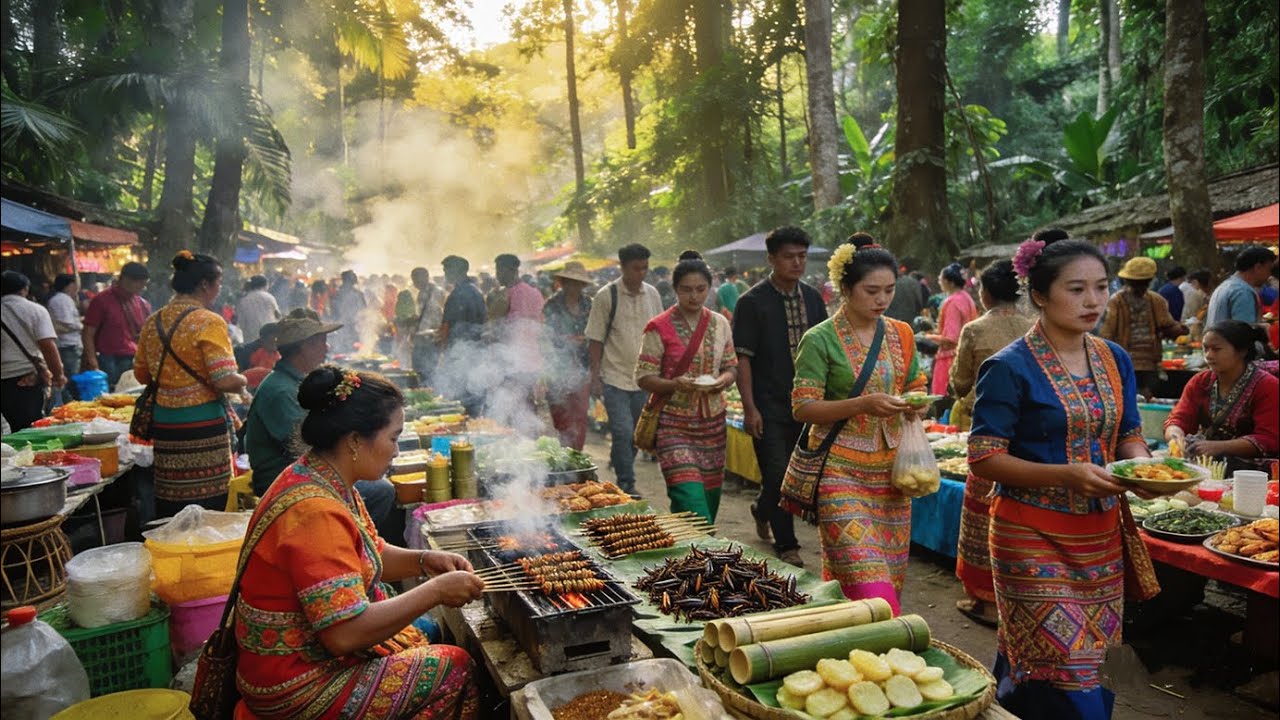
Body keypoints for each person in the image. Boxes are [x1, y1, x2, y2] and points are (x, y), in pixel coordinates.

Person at [968, 236, 1154, 719]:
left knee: (1094, 661)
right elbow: (984, 458)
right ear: (1039, 295)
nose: (1093, 301)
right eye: (1076, 289)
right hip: (1028, 535)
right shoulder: (1008, 367)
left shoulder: (1115, 358)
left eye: (1101, 287)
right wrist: (1065, 476)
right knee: (1066, 667)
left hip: (1100, 540)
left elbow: (1129, 434)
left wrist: (1144, 468)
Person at [233, 365, 483, 719]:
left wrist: (425, 560)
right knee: (455, 667)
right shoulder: (315, 512)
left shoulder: (320, 475)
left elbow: (369, 551)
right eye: (393, 438)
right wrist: (437, 591)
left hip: (304, 656)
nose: (396, 451)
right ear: (353, 440)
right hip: (293, 682)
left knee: (426, 628)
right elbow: (344, 634)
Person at [791, 240, 927, 613]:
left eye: (889, 290)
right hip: (840, 471)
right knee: (872, 585)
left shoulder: (902, 333)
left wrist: (916, 403)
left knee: (889, 575)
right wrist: (863, 404)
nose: (882, 299)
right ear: (845, 288)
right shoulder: (819, 339)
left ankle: (858, 641)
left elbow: (915, 383)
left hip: (893, 476)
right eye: (871, 291)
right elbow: (803, 407)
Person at [243, 310, 399, 535]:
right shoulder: (280, 390)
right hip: (282, 477)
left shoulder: (292, 381)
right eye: (321, 341)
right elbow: (308, 445)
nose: (326, 347)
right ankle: (350, 538)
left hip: (307, 469)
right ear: (304, 346)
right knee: (381, 490)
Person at [733, 227, 828, 566]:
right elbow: (743, 359)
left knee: (796, 474)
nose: (797, 263)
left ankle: (762, 509)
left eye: (802, 256)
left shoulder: (813, 299)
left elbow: (826, 350)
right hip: (768, 403)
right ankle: (787, 544)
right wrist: (750, 408)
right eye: (789, 257)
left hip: (808, 404)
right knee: (777, 474)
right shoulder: (751, 302)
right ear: (771, 258)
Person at [947, 260, 1033, 626]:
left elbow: (960, 382)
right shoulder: (1034, 327)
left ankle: (984, 600)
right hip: (1028, 436)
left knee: (982, 515)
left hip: (988, 432)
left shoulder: (976, 330)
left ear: (984, 294)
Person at [134, 252, 248, 517]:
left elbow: (142, 375)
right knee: (210, 505)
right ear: (205, 284)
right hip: (203, 424)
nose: (219, 289)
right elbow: (224, 379)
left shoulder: (153, 321)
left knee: (173, 504)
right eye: (218, 283)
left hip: (165, 423)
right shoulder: (209, 321)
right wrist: (244, 380)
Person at [635, 252, 737, 523]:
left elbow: (731, 366)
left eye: (701, 289)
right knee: (691, 501)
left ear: (710, 288)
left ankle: (693, 548)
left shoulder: (720, 323)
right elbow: (643, 377)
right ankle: (699, 543)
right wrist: (674, 384)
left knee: (710, 499)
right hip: (673, 425)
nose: (694, 296)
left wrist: (723, 381)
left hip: (713, 425)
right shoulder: (658, 327)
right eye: (686, 290)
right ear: (675, 289)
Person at [585, 243, 664, 495]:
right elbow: (595, 339)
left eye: (645, 268)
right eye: (636, 268)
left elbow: (661, 333)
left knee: (637, 434)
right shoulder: (606, 296)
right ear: (622, 267)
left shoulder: (652, 294)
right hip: (614, 376)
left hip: (645, 378)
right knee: (623, 430)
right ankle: (626, 481)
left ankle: (619, 459)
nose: (641, 273)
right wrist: (595, 377)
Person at [1164, 320, 1278, 463]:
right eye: (1205, 348)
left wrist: (1219, 447)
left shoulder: (1267, 386)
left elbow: (1268, 438)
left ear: (1242, 351)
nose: (1209, 355)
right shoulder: (1201, 381)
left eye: (1216, 349)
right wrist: (1175, 437)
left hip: (1255, 468)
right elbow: (1180, 418)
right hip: (1208, 462)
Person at [1100, 257, 1187, 397]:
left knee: (1147, 396)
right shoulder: (1116, 302)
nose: (1139, 287)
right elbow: (1107, 333)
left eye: (1143, 283)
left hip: (1150, 364)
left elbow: (1167, 325)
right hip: (1124, 362)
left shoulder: (1156, 301)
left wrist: (1180, 329)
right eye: (1135, 283)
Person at [1, 271, 66, 430]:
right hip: (28, 378)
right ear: (25, 289)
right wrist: (58, 375)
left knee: (14, 425)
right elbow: (47, 346)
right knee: (33, 425)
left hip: (3, 380)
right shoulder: (35, 310)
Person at [542, 262, 594, 450]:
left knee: (579, 414)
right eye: (570, 282)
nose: (574, 286)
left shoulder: (590, 305)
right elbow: (546, 335)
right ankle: (565, 449)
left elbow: (597, 334)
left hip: (583, 367)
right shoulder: (552, 305)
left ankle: (576, 454)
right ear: (563, 282)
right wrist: (565, 340)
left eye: (577, 283)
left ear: (583, 285)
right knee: (560, 413)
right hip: (557, 367)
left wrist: (584, 340)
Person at [81, 261, 151, 389]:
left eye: (144, 284)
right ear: (125, 279)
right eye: (140, 283)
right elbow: (88, 333)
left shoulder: (142, 303)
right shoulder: (101, 300)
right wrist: (92, 362)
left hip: (135, 359)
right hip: (108, 359)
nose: (143, 287)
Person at [928, 263, 978, 396]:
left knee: (944, 399)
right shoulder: (967, 298)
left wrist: (927, 337)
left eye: (940, 278)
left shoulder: (952, 302)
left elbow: (951, 338)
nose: (939, 281)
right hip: (966, 357)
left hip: (949, 360)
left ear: (948, 282)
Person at [394, 267, 443, 387]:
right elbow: (423, 315)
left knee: (426, 370)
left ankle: (427, 391)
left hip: (429, 338)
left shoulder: (433, 292)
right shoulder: (424, 292)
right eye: (413, 279)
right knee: (421, 370)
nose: (414, 282)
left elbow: (433, 316)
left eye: (416, 278)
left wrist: (414, 325)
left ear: (426, 276)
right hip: (424, 337)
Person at [1206, 246, 1277, 326]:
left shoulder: (1225, 286)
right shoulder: (1243, 292)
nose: (1269, 275)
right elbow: (1244, 330)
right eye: (1269, 269)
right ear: (1258, 267)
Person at [46, 273, 83, 404]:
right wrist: (81, 325)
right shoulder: (62, 300)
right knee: (69, 380)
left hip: (67, 345)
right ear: (70, 285)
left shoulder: (60, 299)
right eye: (75, 284)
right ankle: (68, 405)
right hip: (68, 345)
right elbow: (65, 323)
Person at [236, 274, 281, 344]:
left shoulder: (243, 300)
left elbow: (241, 323)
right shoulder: (269, 297)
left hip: (250, 341)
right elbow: (278, 316)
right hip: (268, 339)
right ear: (265, 285)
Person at [330, 270, 366, 354]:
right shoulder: (358, 294)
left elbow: (334, 314)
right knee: (351, 351)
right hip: (349, 328)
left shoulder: (337, 294)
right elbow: (364, 311)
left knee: (346, 351)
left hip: (348, 328)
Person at [885, 251, 926, 322]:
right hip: (909, 322)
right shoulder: (914, 283)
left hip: (889, 321)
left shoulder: (886, 281)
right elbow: (920, 304)